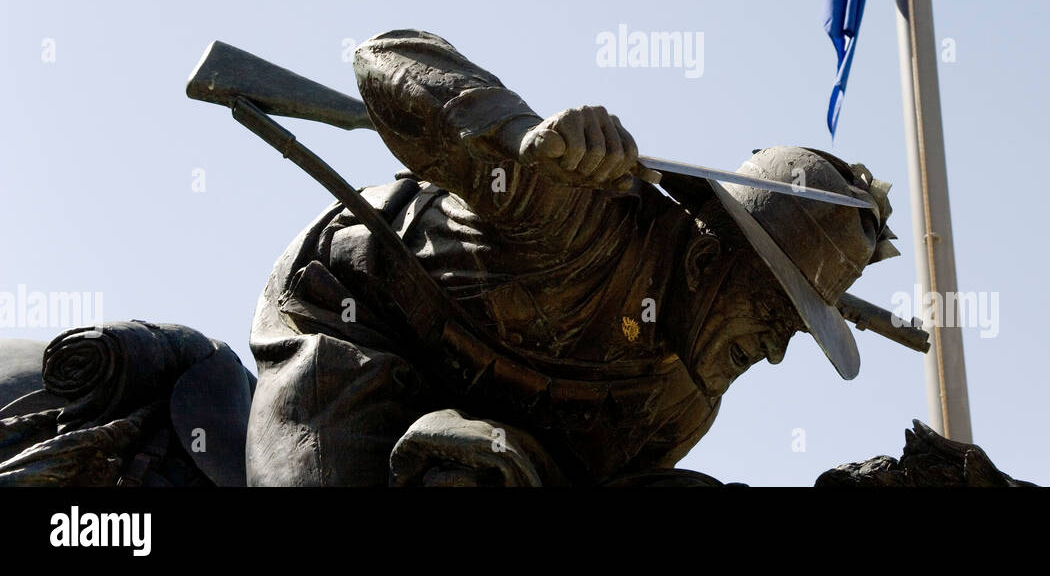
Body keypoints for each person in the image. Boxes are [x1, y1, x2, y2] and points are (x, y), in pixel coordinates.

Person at [246, 30, 896, 486]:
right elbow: (384, 59)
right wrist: (517, 134)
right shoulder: (573, 219)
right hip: (362, 317)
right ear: (702, 261)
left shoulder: (685, 400)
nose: (777, 350)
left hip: (489, 418)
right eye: (775, 312)